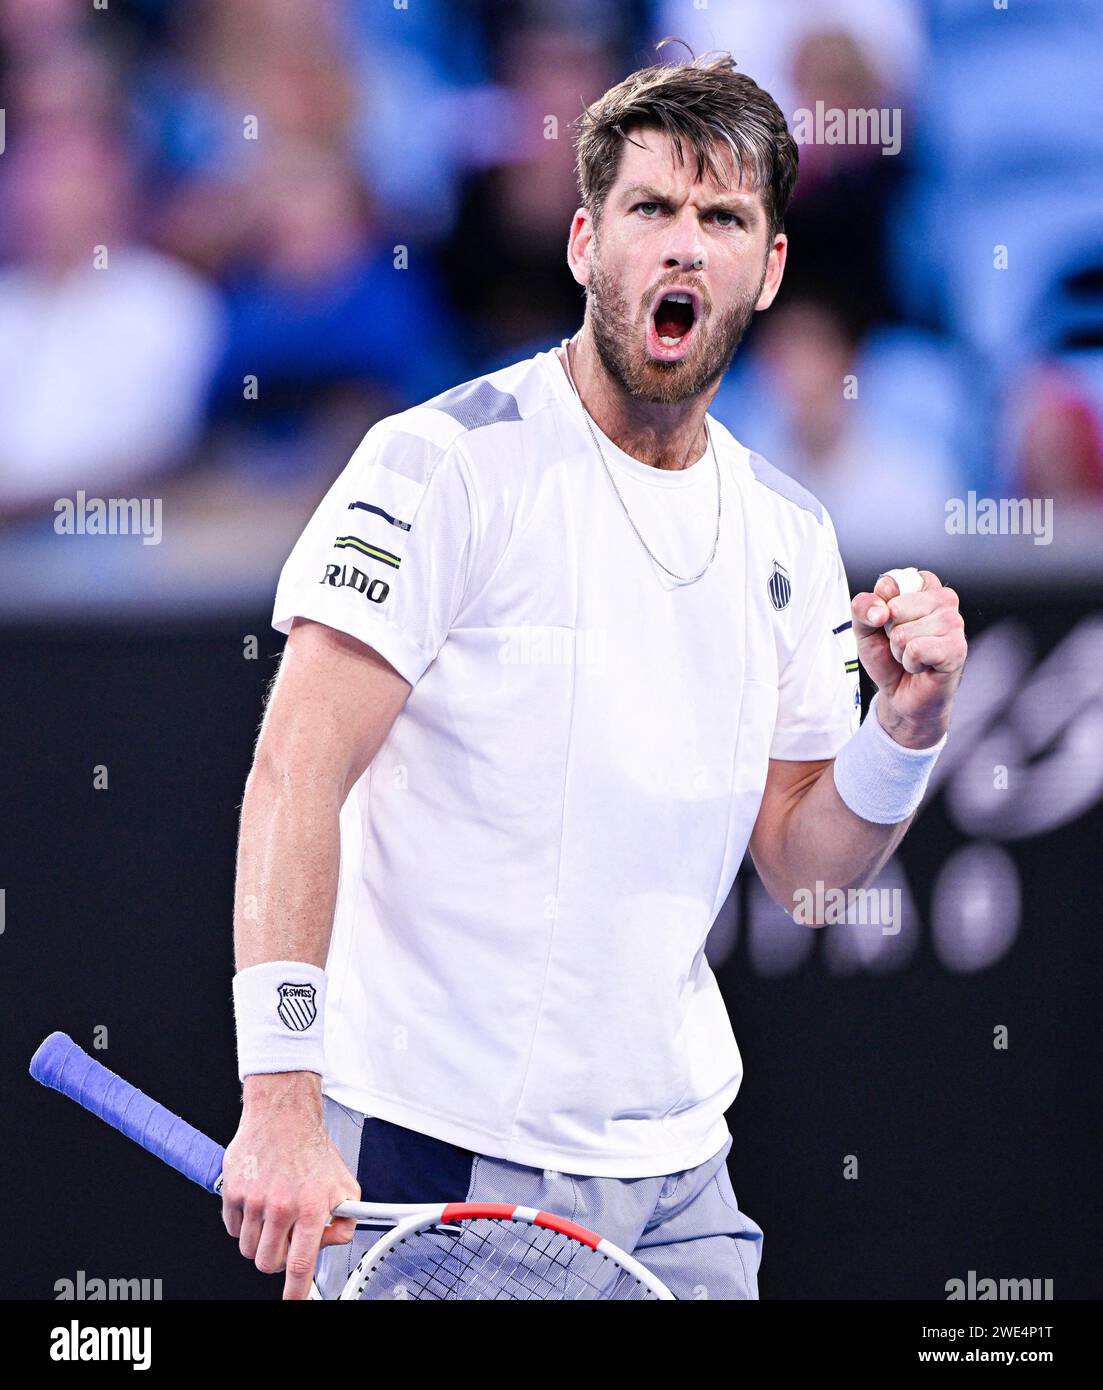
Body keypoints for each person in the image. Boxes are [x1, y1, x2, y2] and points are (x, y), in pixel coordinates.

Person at [220, 42, 968, 1301]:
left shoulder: (790, 532)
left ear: (768, 266)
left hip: (680, 1180)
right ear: (583, 243)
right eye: (650, 210)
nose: (683, 246)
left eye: (722, 216)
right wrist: (282, 1098)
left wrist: (904, 726)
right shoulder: (437, 466)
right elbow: (294, 770)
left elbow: (804, 870)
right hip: (433, 1150)